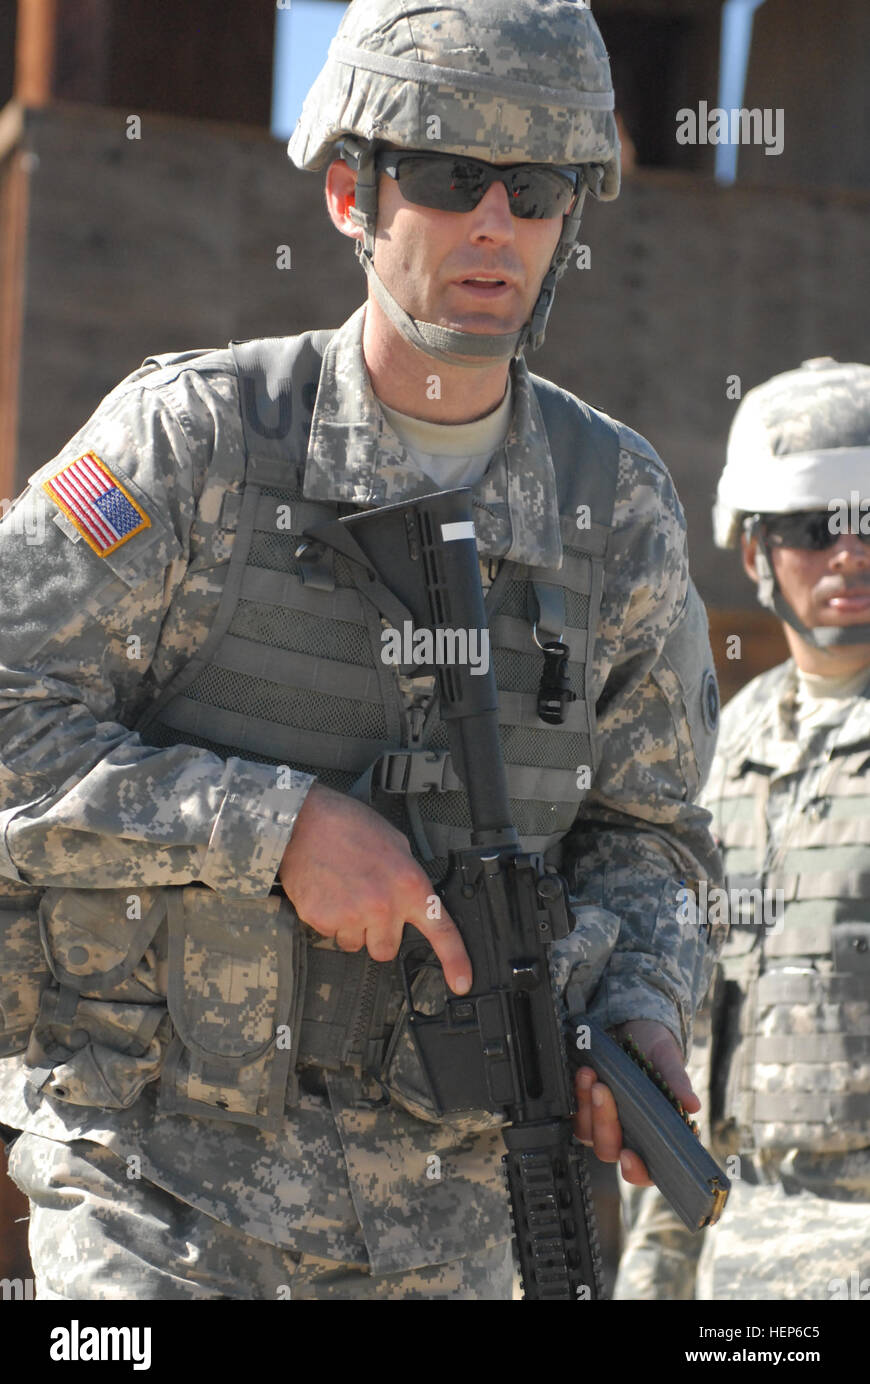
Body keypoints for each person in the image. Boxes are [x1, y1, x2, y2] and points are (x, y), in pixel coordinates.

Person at [0, 0, 722, 1300]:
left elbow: (650, 835)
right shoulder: (197, 443)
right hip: (157, 1190)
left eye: (535, 189)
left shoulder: (613, 509)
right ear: (351, 195)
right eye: (448, 178)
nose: (493, 223)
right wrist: (272, 828)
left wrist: (641, 1005)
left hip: (451, 1219)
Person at [614, 356, 870, 1301]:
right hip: (733, 1264)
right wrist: (654, 1276)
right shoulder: (721, 744)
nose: (850, 553)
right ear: (755, 550)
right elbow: (684, 1039)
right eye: (814, 528)